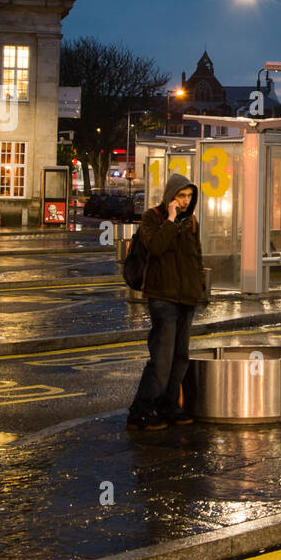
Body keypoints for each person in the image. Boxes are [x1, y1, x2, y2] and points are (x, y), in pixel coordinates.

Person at [127, 173, 207, 430]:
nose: (185, 202)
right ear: (170, 196)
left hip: (187, 297)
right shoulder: (154, 217)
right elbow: (156, 247)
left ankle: (169, 405)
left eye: (189, 196)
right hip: (163, 297)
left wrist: (200, 288)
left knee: (180, 357)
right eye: (181, 196)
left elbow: (196, 256)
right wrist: (171, 220)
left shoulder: (192, 221)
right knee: (161, 358)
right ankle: (141, 410)